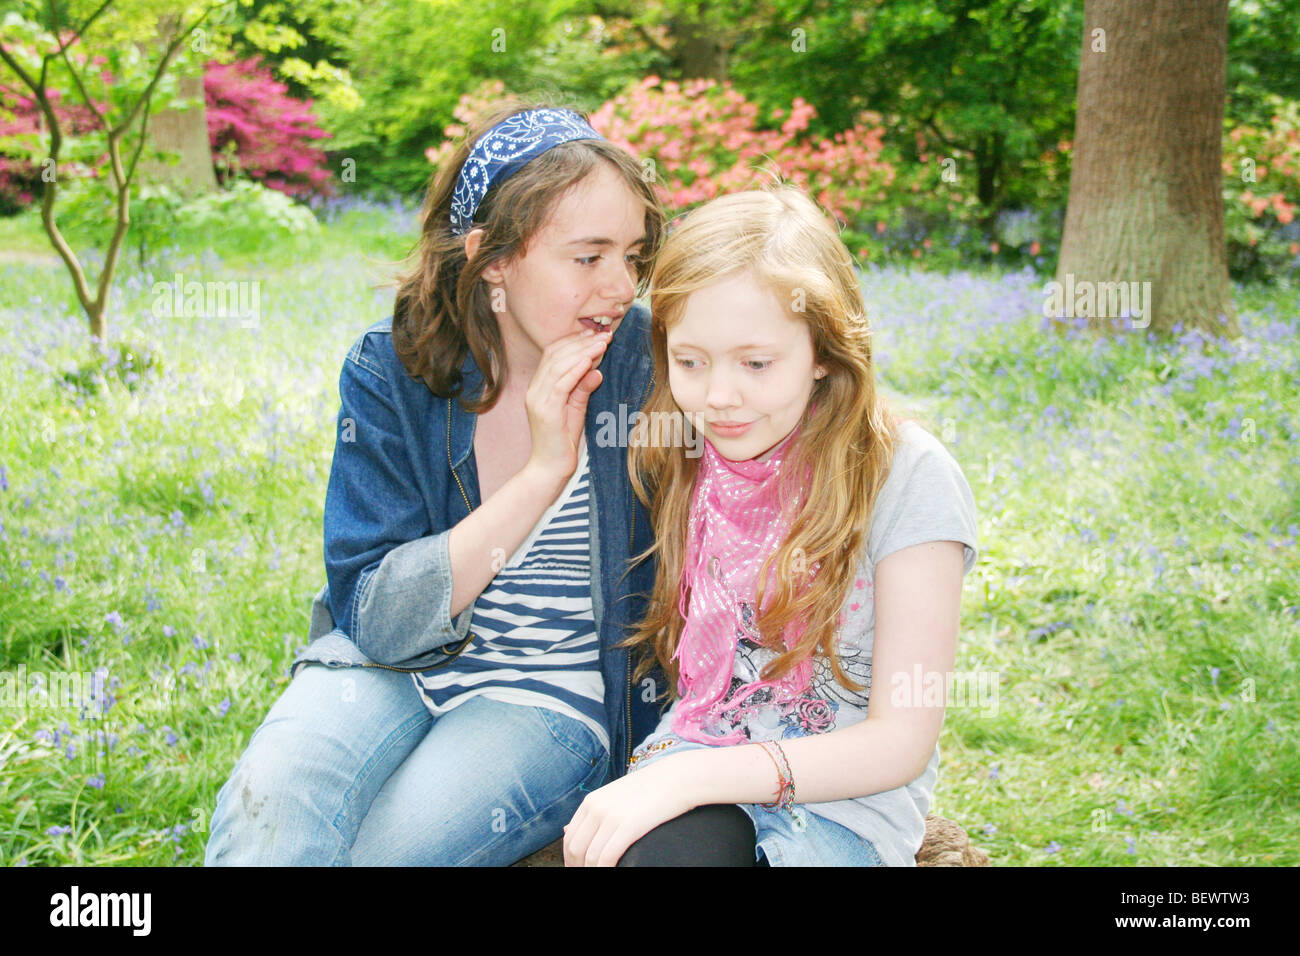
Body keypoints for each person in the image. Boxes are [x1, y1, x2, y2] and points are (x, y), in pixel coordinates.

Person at [205, 101, 668, 866]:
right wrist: (542, 472)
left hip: (544, 697)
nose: (620, 285)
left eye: (633, 255)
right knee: (270, 825)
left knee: (382, 857)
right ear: (493, 258)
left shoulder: (647, 366)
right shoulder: (392, 370)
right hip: (386, 669)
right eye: (588, 258)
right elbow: (379, 618)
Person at [560, 186, 980, 867]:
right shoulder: (688, 452)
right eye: (690, 361)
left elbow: (901, 739)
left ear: (824, 350)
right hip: (701, 748)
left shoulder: (909, 480)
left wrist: (694, 777)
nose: (719, 396)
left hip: (842, 803)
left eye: (756, 363)